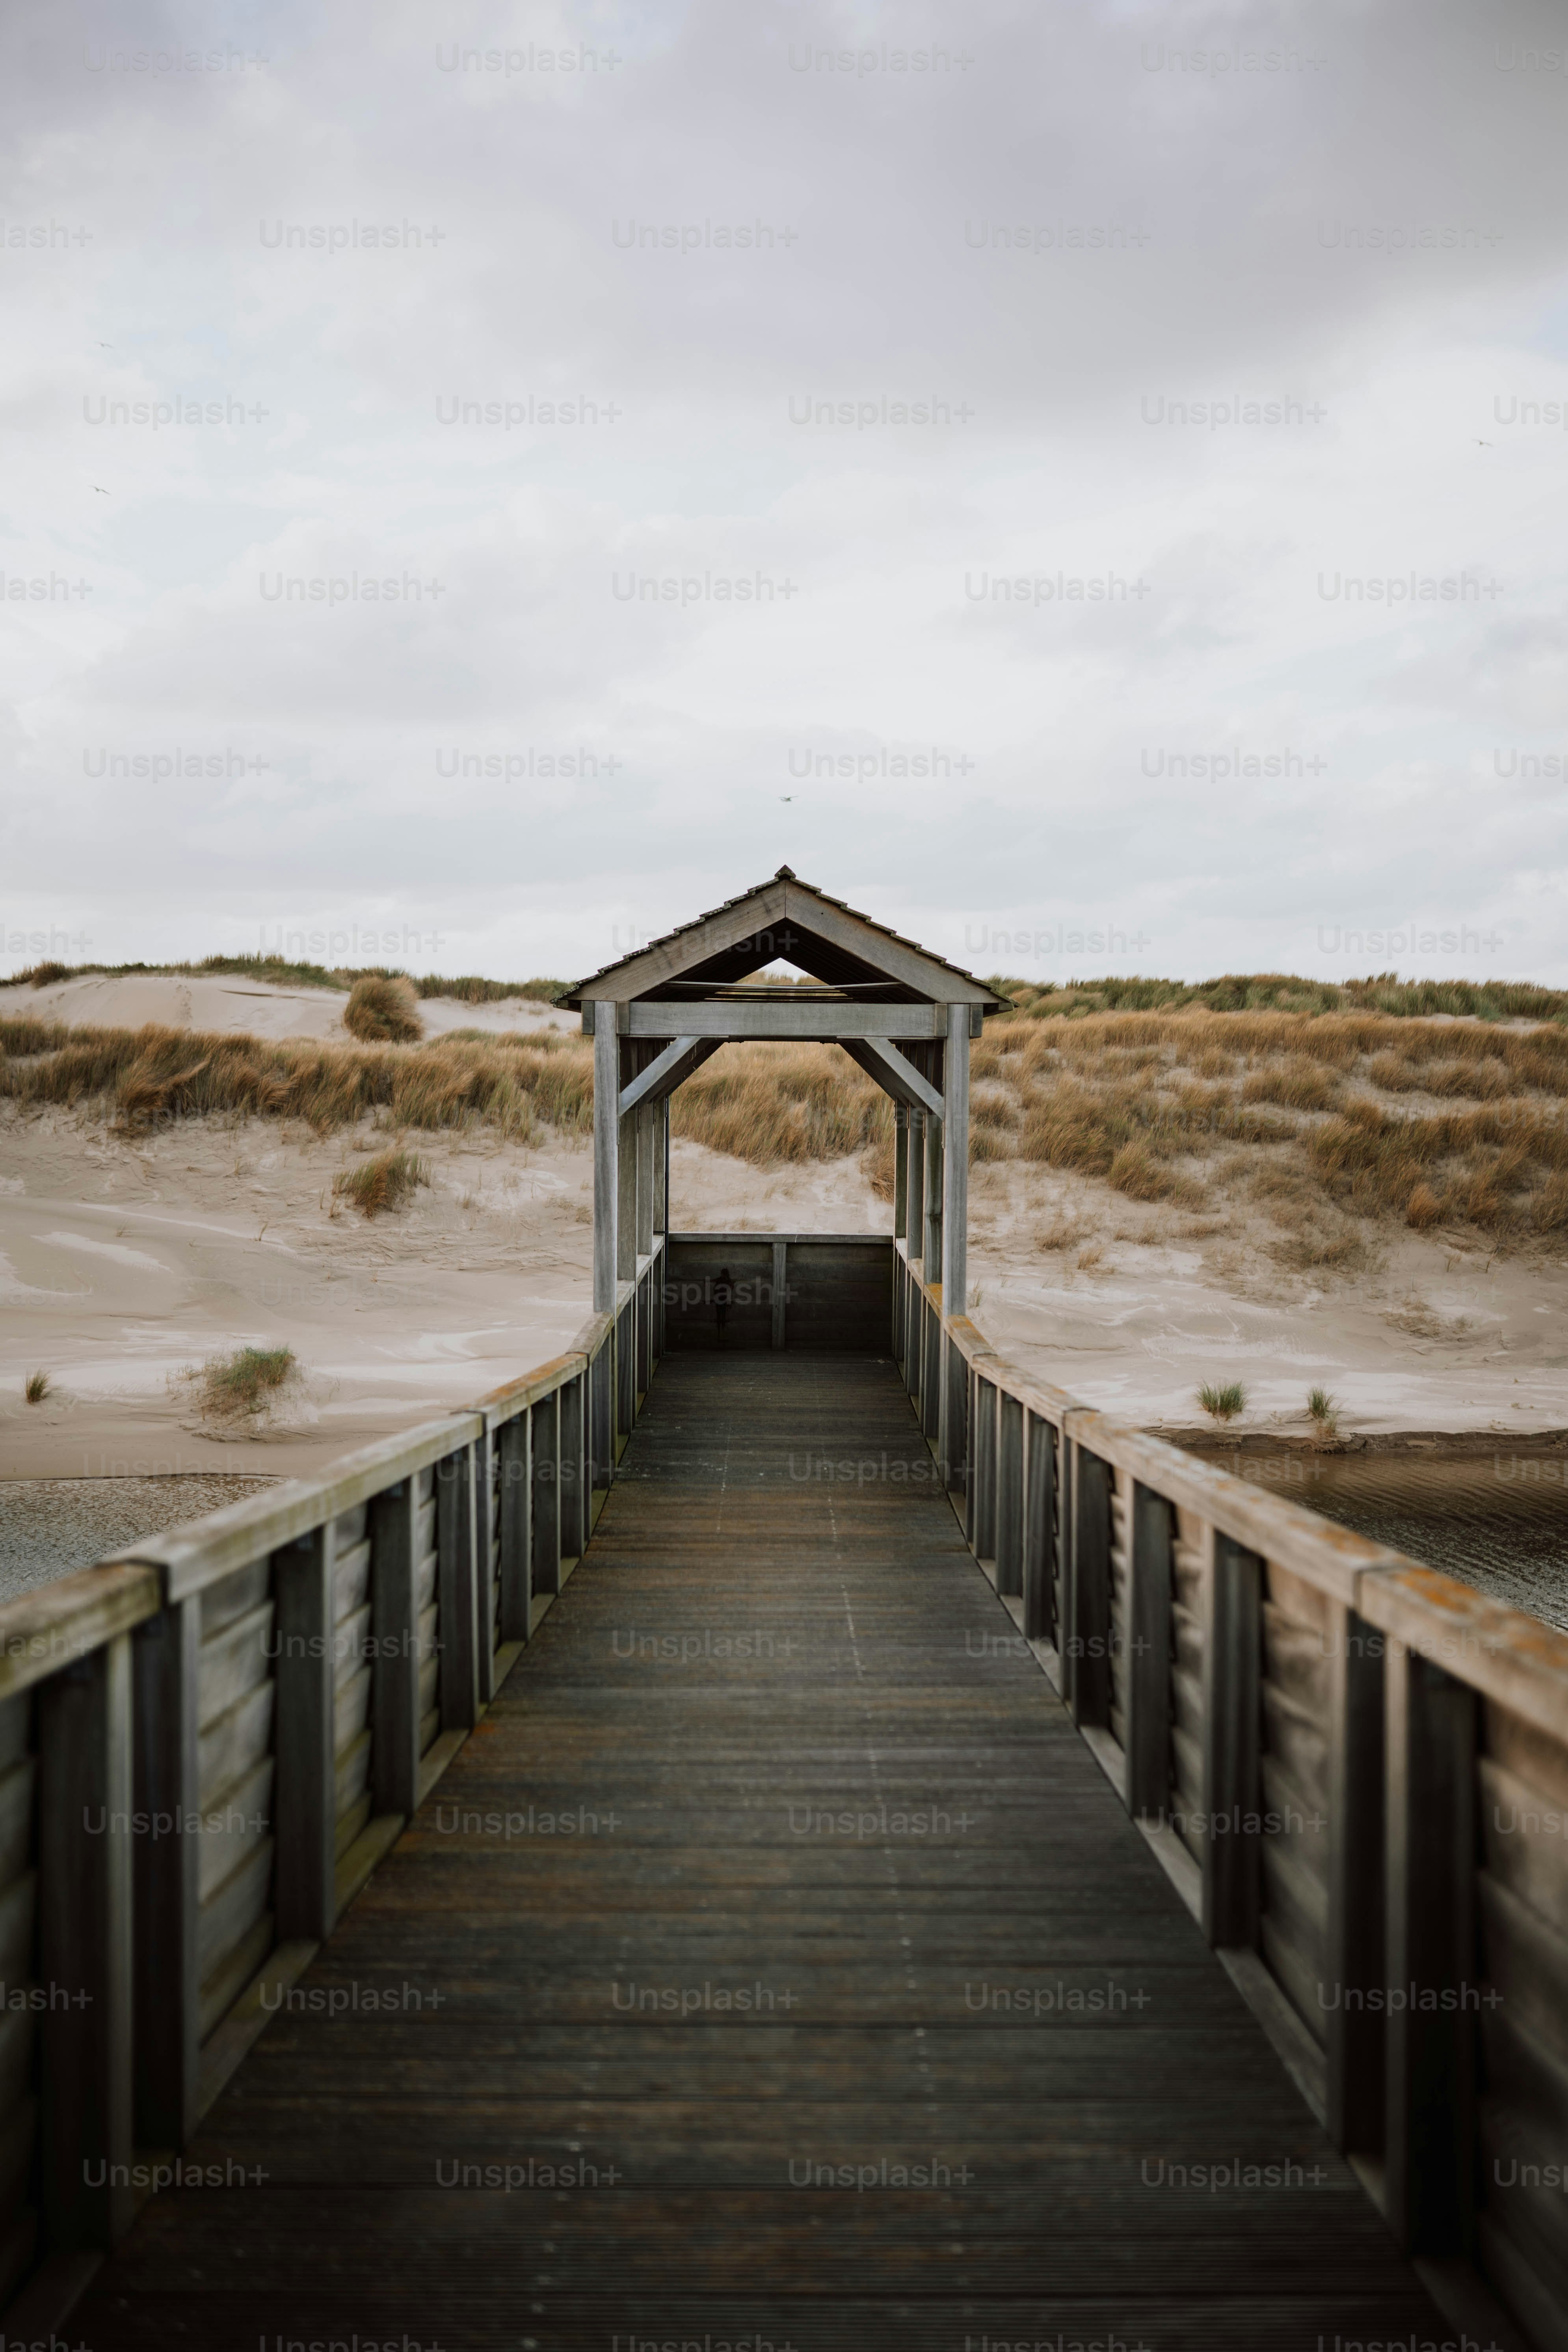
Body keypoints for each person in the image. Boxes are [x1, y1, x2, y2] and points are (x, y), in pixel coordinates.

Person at [714, 1265, 733, 1344]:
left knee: (720, 1316)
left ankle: (721, 1333)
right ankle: (722, 1332)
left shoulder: (722, 1280)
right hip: (723, 1300)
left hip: (720, 1300)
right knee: (722, 1316)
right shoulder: (728, 1280)